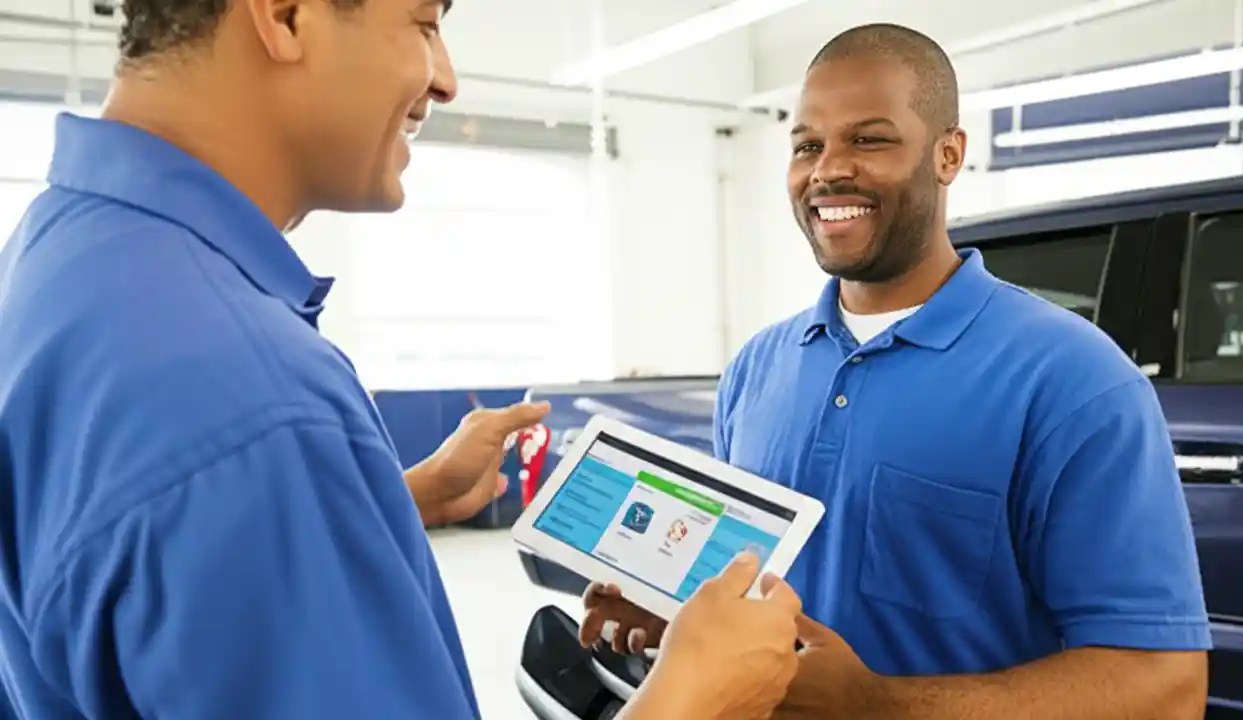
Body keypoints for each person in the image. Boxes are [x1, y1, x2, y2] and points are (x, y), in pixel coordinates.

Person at [0, 1, 803, 718]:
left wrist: (384, 497)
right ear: (283, 16)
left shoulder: (65, 253)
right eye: (425, 22)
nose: (446, 79)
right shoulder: (257, 400)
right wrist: (697, 694)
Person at [581, 23, 1211, 718]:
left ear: (948, 154)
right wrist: (684, 623)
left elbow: (1166, 688)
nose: (827, 170)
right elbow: (755, 593)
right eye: (807, 146)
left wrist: (875, 704)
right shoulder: (759, 367)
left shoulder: (1076, 382)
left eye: (869, 139)